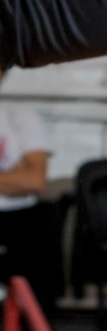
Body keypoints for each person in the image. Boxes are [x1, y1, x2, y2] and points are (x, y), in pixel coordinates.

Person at [0, 71, 57, 314]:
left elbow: (34, 180)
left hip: (17, 220)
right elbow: (24, 177)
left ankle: (28, 327)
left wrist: (24, 175)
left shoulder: (20, 117)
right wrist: (14, 173)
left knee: (46, 216)